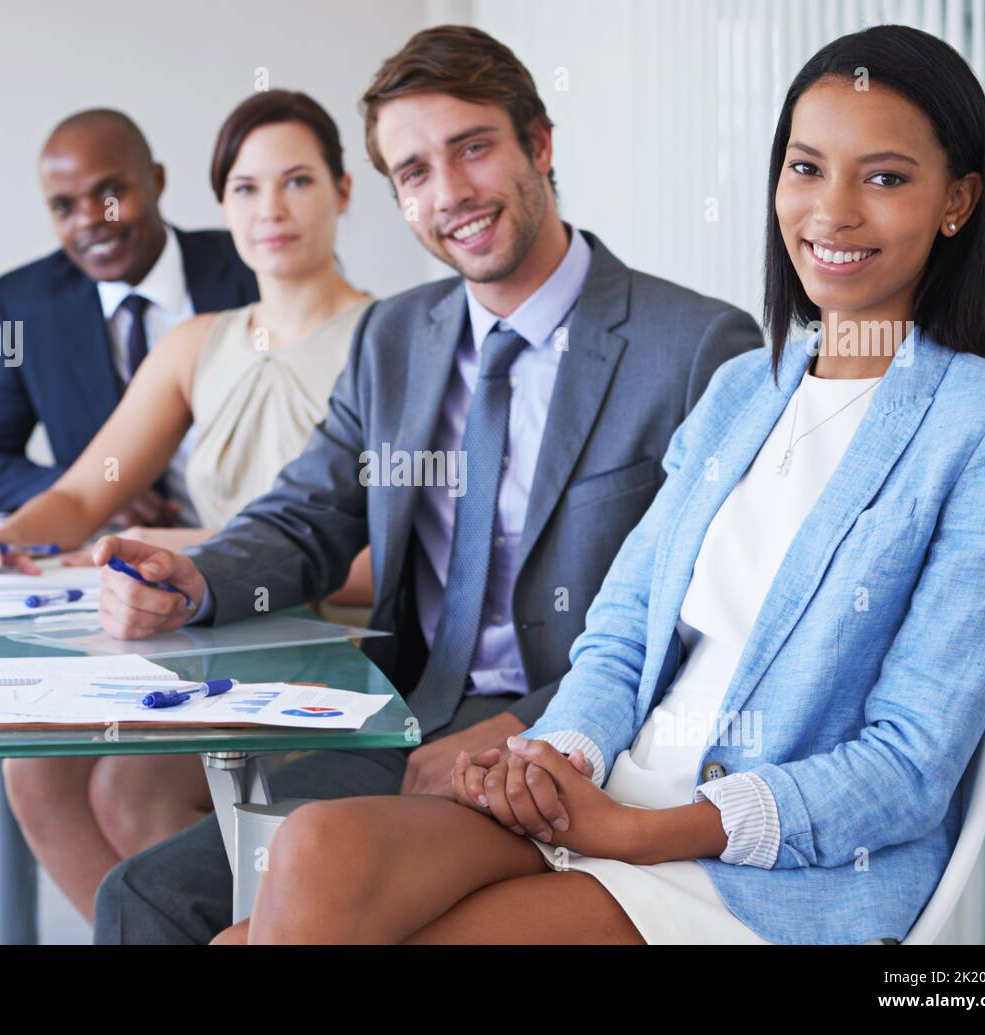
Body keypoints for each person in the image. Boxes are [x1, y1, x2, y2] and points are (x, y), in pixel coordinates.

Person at [216, 24, 985, 946]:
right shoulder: (747, 388)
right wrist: (559, 759)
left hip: (760, 867)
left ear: (959, 201)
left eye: (886, 177)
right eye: (807, 168)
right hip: (612, 788)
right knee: (313, 849)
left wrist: (647, 833)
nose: (833, 211)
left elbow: (908, 765)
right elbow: (620, 635)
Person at [89, 24, 764, 945]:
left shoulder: (696, 349)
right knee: (146, 899)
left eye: (472, 149)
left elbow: (704, 627)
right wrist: (199, 577)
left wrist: (532, 727)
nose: (449, 194)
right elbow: (309, 513)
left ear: (539, 144)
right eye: (413, 172)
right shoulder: (393, 339)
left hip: (576, 749)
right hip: (404, 722)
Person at [0, 90, 376, 922]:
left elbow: (387, 563)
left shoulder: (392, 340)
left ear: (343, 191)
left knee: (130, 788)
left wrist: (181, 544)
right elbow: (79, 491)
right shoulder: (196, 342)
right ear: (219, 204)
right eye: (246, 188)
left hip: (329, 643)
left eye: (297, 182)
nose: (270, 209)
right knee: (31, 769)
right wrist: (6, 536)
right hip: (196, 638)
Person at [0, 108, 258, 527]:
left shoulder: (252, 271)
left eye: (110, 195)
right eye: (63, 206)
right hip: (112, 566)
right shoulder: (26, 305)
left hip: (258, 555)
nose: (90, 219)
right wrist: (89, 491)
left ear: (156, 182)